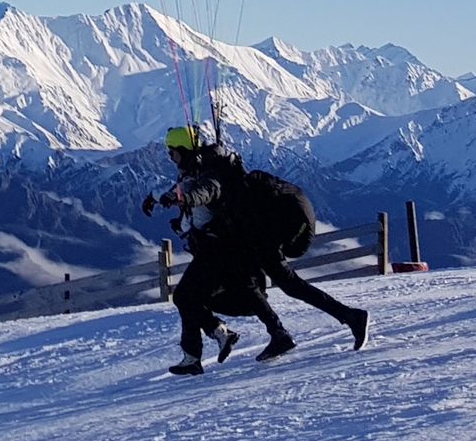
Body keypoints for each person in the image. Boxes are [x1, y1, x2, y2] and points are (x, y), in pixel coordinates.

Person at [157, 126, 370, 373]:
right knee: (278, 284)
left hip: (258, 234)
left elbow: (208, 190)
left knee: (276, 284)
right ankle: (318, 325)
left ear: (184, 151)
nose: (172, 160)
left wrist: (185, 198)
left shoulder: (213, 169)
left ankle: (337, 321)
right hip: (252, 234)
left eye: (174, 154)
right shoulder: (214, 162)